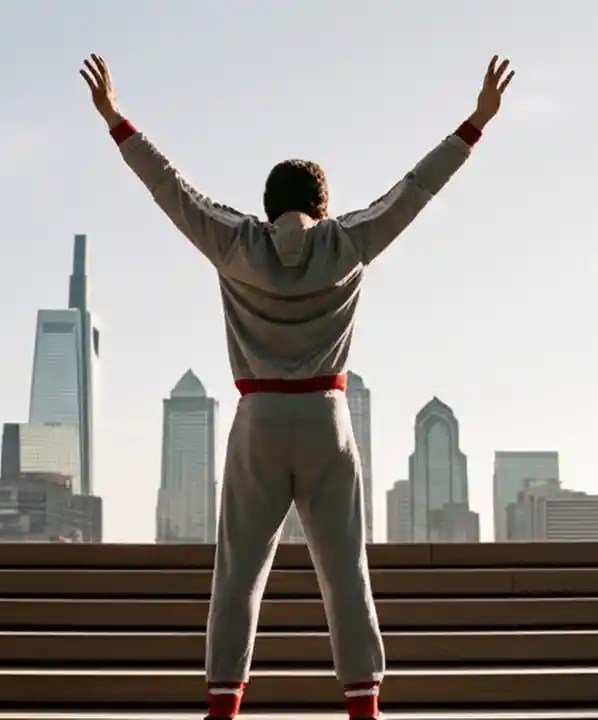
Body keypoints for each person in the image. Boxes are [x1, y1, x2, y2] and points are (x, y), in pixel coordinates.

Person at [79, 53, 514, 720]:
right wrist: (475, 124)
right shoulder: (350, 242)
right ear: (321, 205)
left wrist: (116, 120)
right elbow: (414, 191)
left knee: (239, 575)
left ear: (269, 203)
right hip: (326, 416)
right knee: (346, 574)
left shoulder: (234, 243)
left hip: (258, 418)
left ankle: (223, 706)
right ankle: (363, 708)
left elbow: (169, 188)